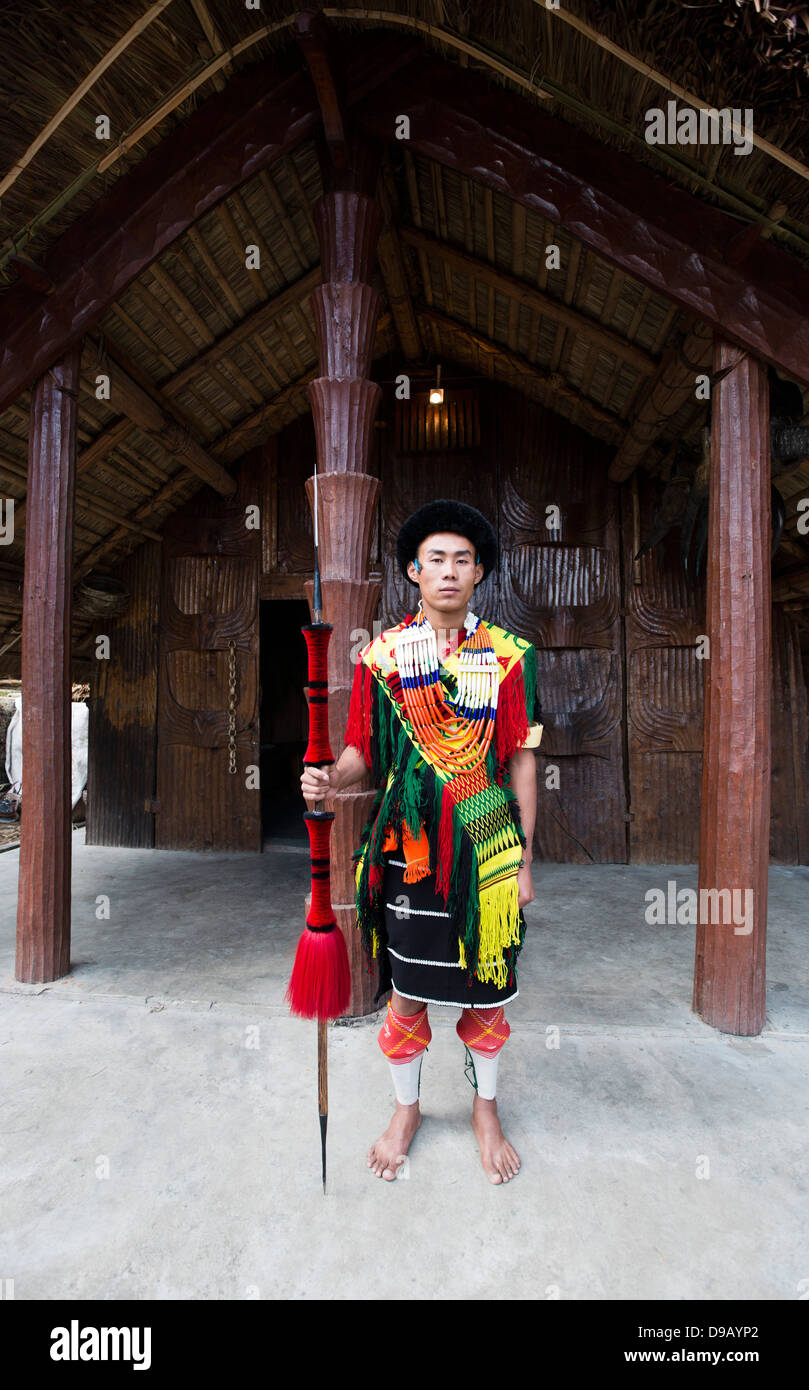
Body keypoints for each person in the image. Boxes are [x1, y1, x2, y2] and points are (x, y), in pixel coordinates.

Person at [300, 499, 542, 1184]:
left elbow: (521, 759)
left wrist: (523, 859)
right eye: (434, 559)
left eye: (461, 560)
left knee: (486, 992)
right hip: (408, 853)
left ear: (478, 574)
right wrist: (327, 781)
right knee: (407, 991)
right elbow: (360, 754)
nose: (447, 571)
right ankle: (405, 1110)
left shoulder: (507, 657)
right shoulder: (382, 659)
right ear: (413, 572)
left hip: (488, 847)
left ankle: (484, 1110)